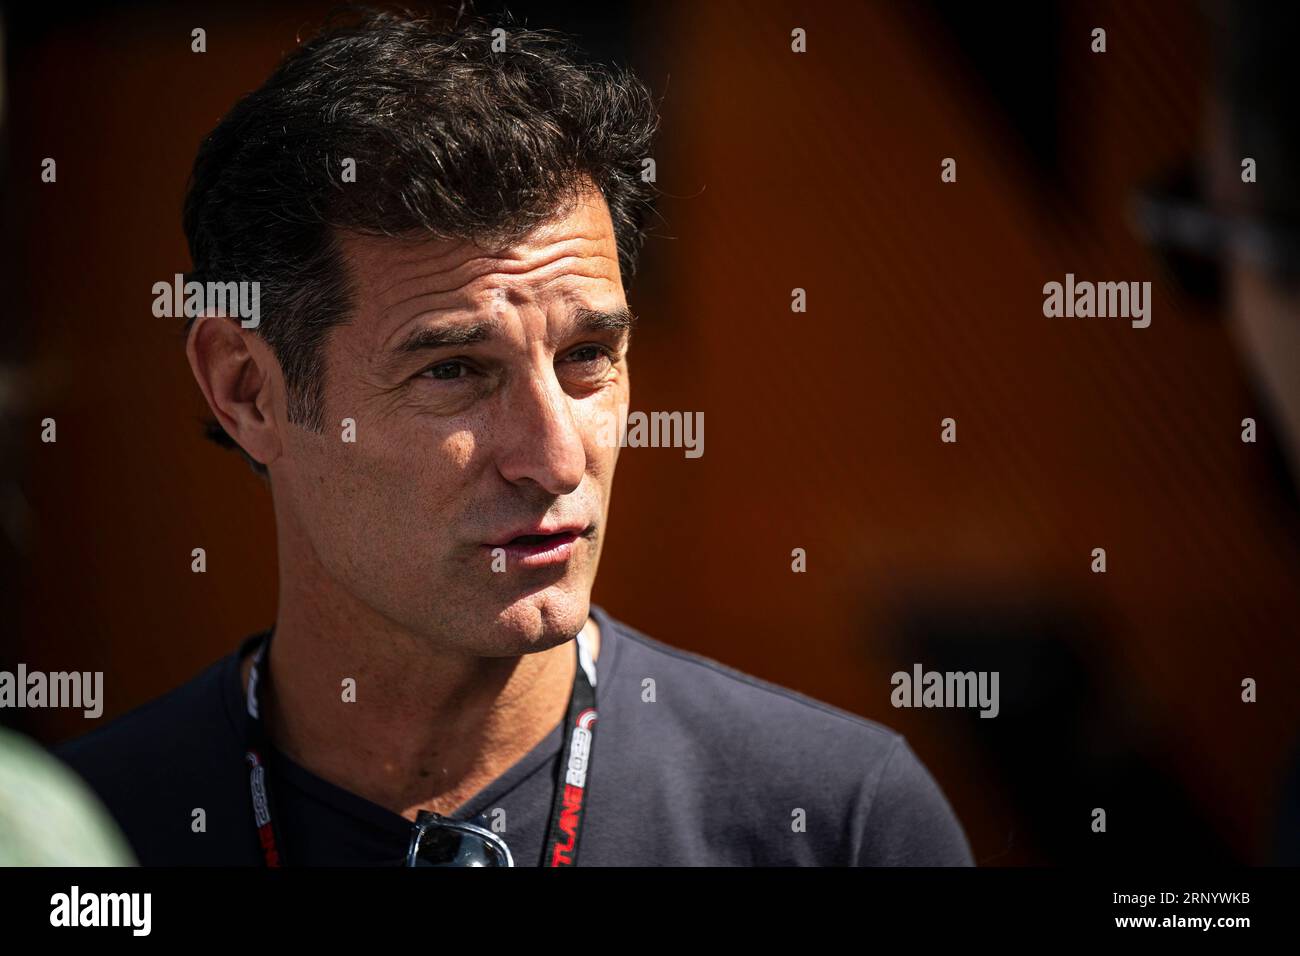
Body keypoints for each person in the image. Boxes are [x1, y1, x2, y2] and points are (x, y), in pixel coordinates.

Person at [55, 10, 973, 867]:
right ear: (246, 388)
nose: (558, 458)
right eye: (453, 370)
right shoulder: (79, 836)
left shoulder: (838, 824)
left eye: (587, 355)